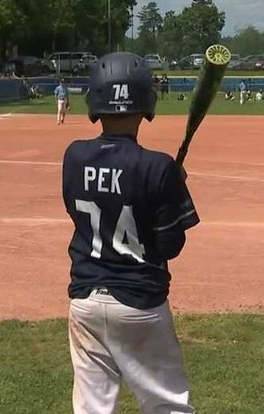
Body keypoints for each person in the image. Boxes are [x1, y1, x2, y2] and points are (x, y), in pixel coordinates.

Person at [63, 52, 200, 414]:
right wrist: (172, 188)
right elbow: (170, 245)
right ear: (145, 104)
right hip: (139, 302)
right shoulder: (158, 167)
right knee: (166, 405)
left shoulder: (74, 156)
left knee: (92, 408)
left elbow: (82, 211)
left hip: (85, 301)